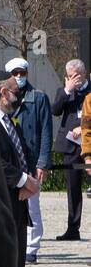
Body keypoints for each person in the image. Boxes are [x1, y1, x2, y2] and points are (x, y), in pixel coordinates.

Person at [0, 73, 38, 267]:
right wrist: (23, 180)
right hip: (1, 204)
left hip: (18, 204)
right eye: (16, 93)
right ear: (3, 93)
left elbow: (22, 154)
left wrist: (28, 183)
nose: (18, 97)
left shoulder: (10, 121)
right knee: (4, 265)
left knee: (18, 265)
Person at [6, 57, 52, 264]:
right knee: (9, 205)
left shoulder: (39, 98)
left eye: (22, 73)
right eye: (14, 74)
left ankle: (31, 248)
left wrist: (43, 162)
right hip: (11, 160)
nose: (18, 77)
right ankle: (12, 245)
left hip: (31, 160)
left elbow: (45, 131)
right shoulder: (5, 98)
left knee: (32, 206)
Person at [50, 59, 90, 242]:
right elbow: (55, 110)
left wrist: (82, 129)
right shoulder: (64, 92)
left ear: (84, 73)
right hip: (71, 147)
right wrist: (67, 90)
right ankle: (73, 229)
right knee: (72, 188)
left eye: (76, 76)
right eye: (69, 76)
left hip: (88, 143)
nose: (73, 79)